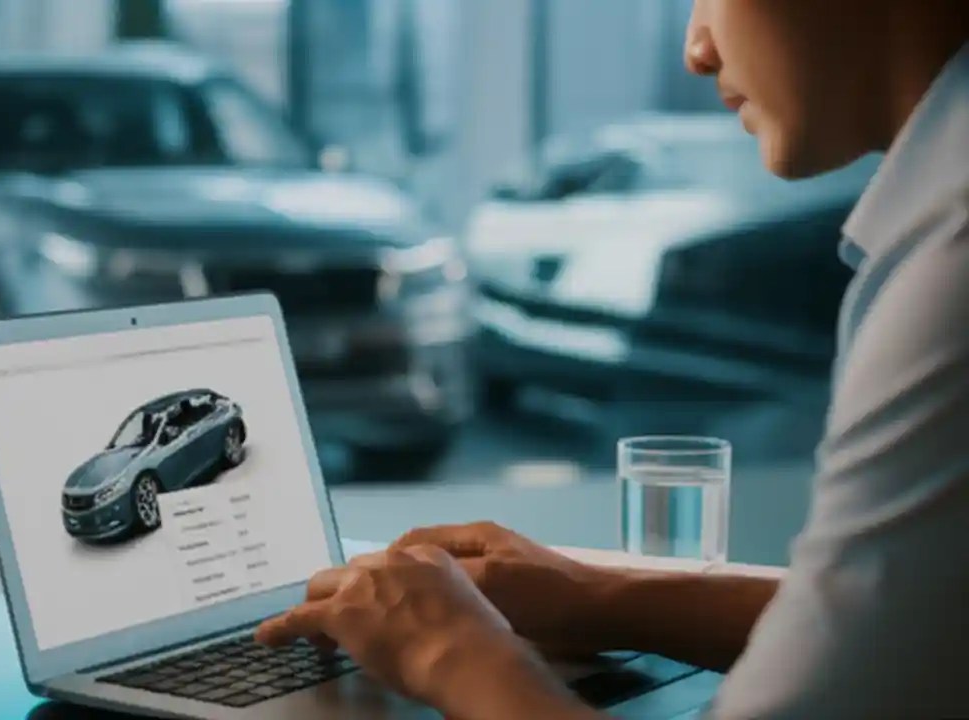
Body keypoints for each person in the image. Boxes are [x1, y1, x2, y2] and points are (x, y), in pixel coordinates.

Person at [257, 2, 969, 718]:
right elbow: (912, 620)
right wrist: (595, 598)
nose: (696, 48)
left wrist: (443, 650)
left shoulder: (954, 261)